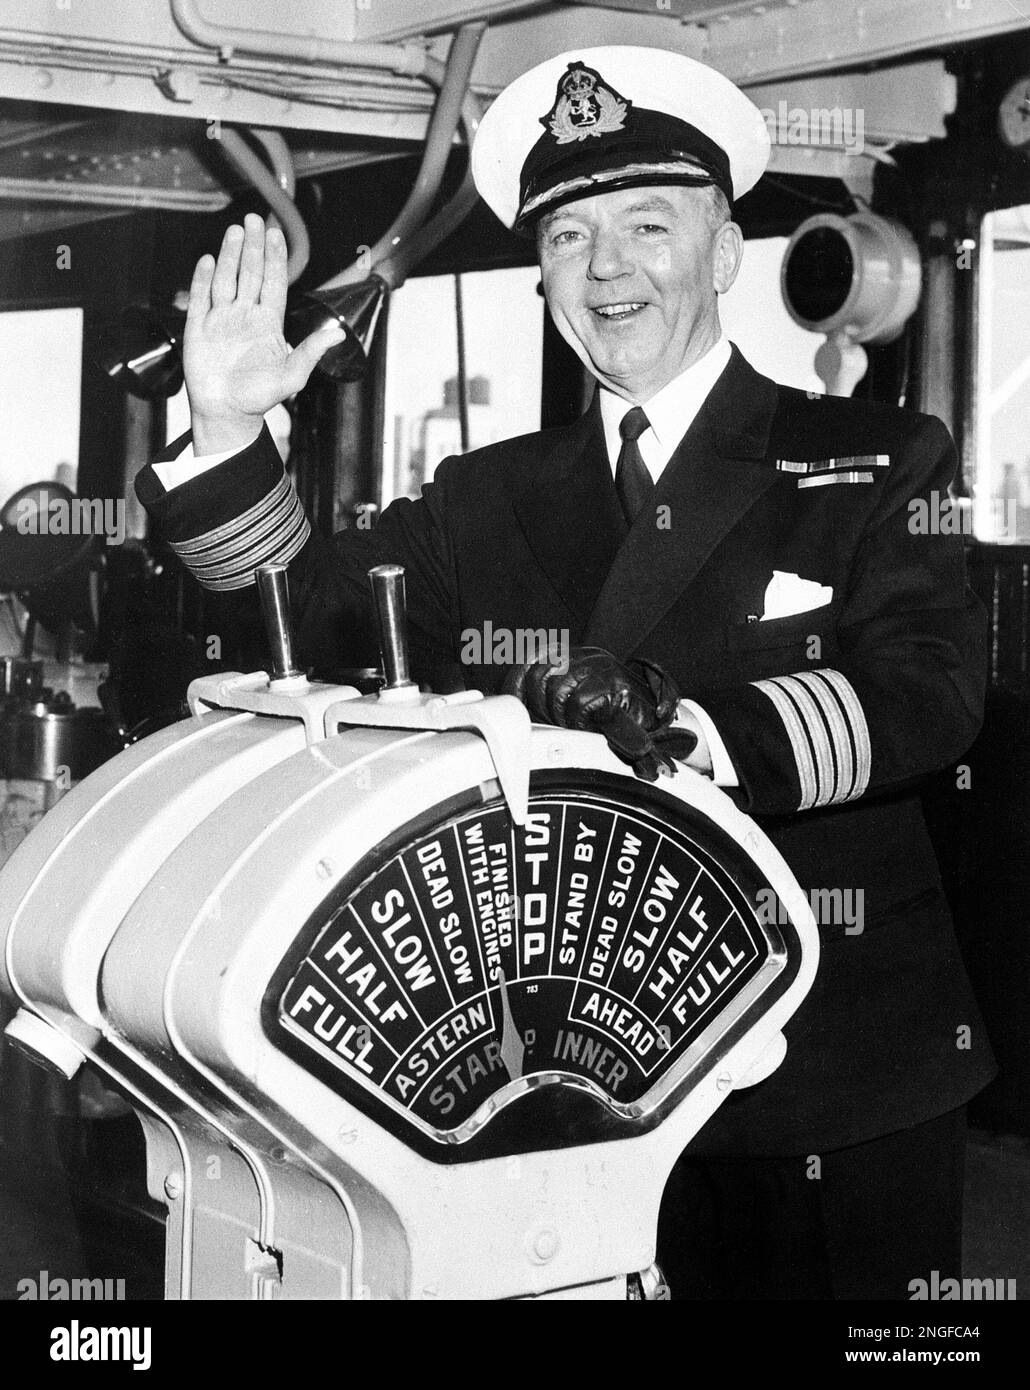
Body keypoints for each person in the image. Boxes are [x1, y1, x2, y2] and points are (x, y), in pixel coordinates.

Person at [135, 46, 995, 1299]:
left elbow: (930, 692)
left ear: (720, 256)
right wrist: (225, 432)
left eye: (649, 226)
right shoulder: (487, 496)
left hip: (826, 1076)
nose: (607, 268)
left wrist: (697, 732)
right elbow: (308, 618)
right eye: (569, 236)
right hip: (561, 1091)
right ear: (540, 278)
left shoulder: (871, 454)